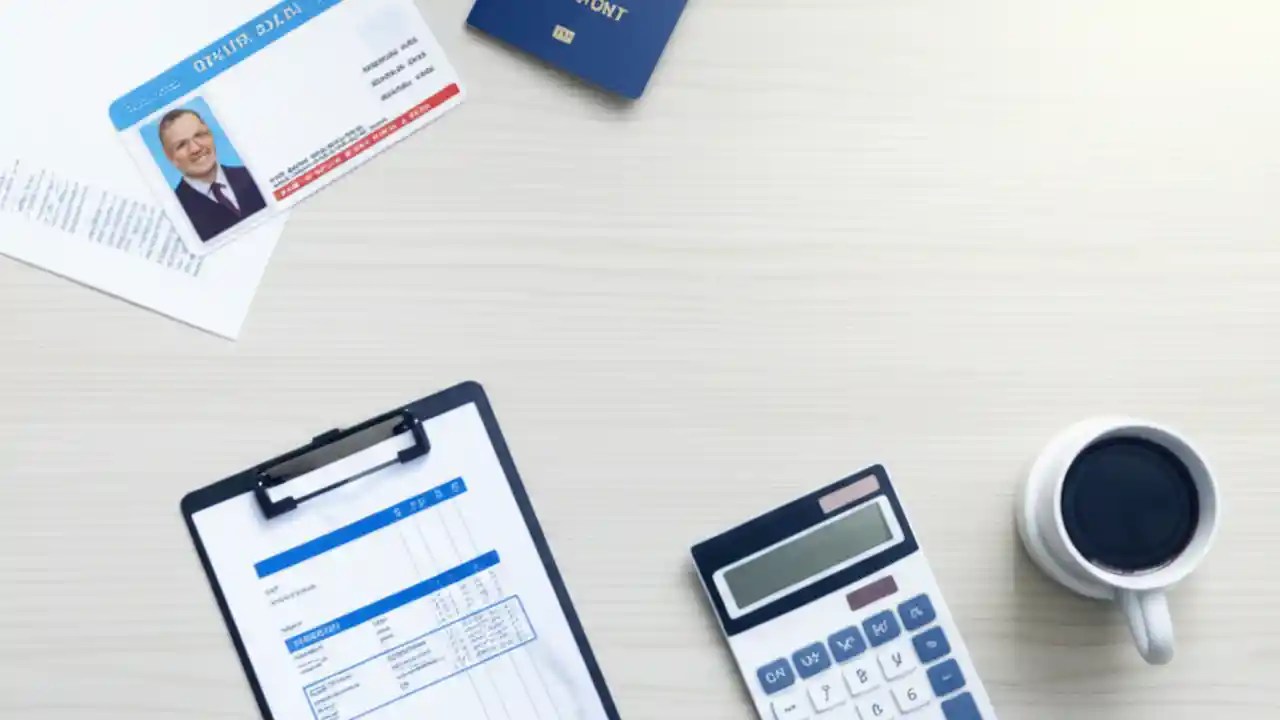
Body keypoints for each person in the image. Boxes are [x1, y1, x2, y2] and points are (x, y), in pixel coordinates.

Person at [157, 108, 267, 241]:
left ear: (211, 135)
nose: (195, 148)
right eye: (181, 145)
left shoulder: (253, 174)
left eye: (199, 135)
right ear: (170, 157)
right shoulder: (177, 213)